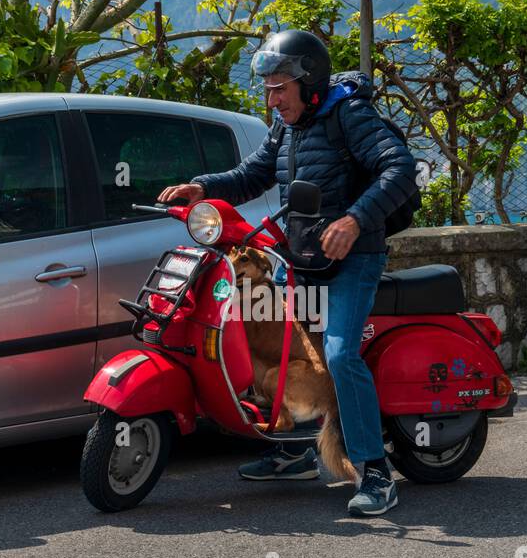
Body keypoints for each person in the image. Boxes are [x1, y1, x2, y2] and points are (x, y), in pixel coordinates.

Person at [158, 29, 418, 516]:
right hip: (300, 259)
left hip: (354, 258)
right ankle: (294, 449)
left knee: (340, 355)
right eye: (268, 88)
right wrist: (201, 187)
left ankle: (376, 472)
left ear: (309, 82)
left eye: (279, 87)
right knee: (273, 346)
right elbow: (254, 173)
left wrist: (355, 219)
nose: (271, 98)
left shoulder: (350, 114)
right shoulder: (288, 125)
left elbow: (400, 169)